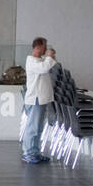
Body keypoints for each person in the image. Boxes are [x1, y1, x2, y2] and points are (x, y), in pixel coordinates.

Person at [22, 37, 57, 165]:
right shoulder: (31, 61)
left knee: (39, 127)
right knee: (32, 127)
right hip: (35, 99)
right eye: (44, 47)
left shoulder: (39, 60)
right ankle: (27, 152)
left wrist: (49, 58)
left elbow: (47, 65)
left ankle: (35, 151)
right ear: (37, 47)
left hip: (41, 99)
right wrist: (49, 57)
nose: (46, 49)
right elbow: (43, 68)